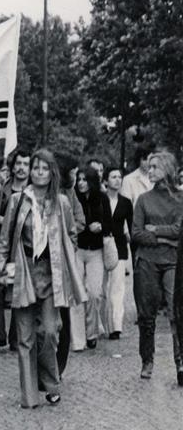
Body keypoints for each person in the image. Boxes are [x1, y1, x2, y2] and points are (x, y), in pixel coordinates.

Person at [0, 149, 87, 409]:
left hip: (51, 273)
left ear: (52, 172)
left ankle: (51, 382)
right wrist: (0, 268)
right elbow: (5, 237)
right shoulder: (17, 200)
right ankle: (29, 396)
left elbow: (72, 235)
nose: (39, 173)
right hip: (24, 271)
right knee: (24, 337)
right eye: (36, 168)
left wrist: (65, 255)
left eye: (45, 169)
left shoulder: (62, 202)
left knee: (49, 331)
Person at [132, 151, 183, 382]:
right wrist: (165, 237)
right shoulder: (143, 200)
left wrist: (157, 231)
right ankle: (147, 360)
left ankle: (180, 362)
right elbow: (137, 233)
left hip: (173, 262)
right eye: (148, 166)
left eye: (154, 167)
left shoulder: (180, 199)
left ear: (167, 170)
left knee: (176, 314)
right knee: (146, 314)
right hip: (147, 262)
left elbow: (179, 231)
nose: (149, 171)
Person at [0, 150, 32, 352]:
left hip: (22, 247)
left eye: (25, 164)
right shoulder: (4, 186)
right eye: (18, 163)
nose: (21, 167)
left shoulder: (33, 190)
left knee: (19, 291)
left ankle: (15, 336)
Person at [73, 166, 111, 350]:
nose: (81, 183)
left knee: (95, 293)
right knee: (77, 293)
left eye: (84, 179)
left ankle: (92, 332)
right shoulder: (73, 198)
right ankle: (78, 339)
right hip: (77, 250)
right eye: (78, 179)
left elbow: (111, 224)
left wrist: (101, 226)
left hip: (96, 251)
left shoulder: (102, 198)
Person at [103, 167, 133, 340]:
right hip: (102, 246)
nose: (117, 180)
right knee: (100, 289)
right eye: (113, 177)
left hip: (120, 248)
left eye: (120, 177)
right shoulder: (99, 199)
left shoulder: (126, 202)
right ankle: (100, 324)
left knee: (118, 287)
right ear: (106, 180)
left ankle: (116, 326)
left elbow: (131, 225)